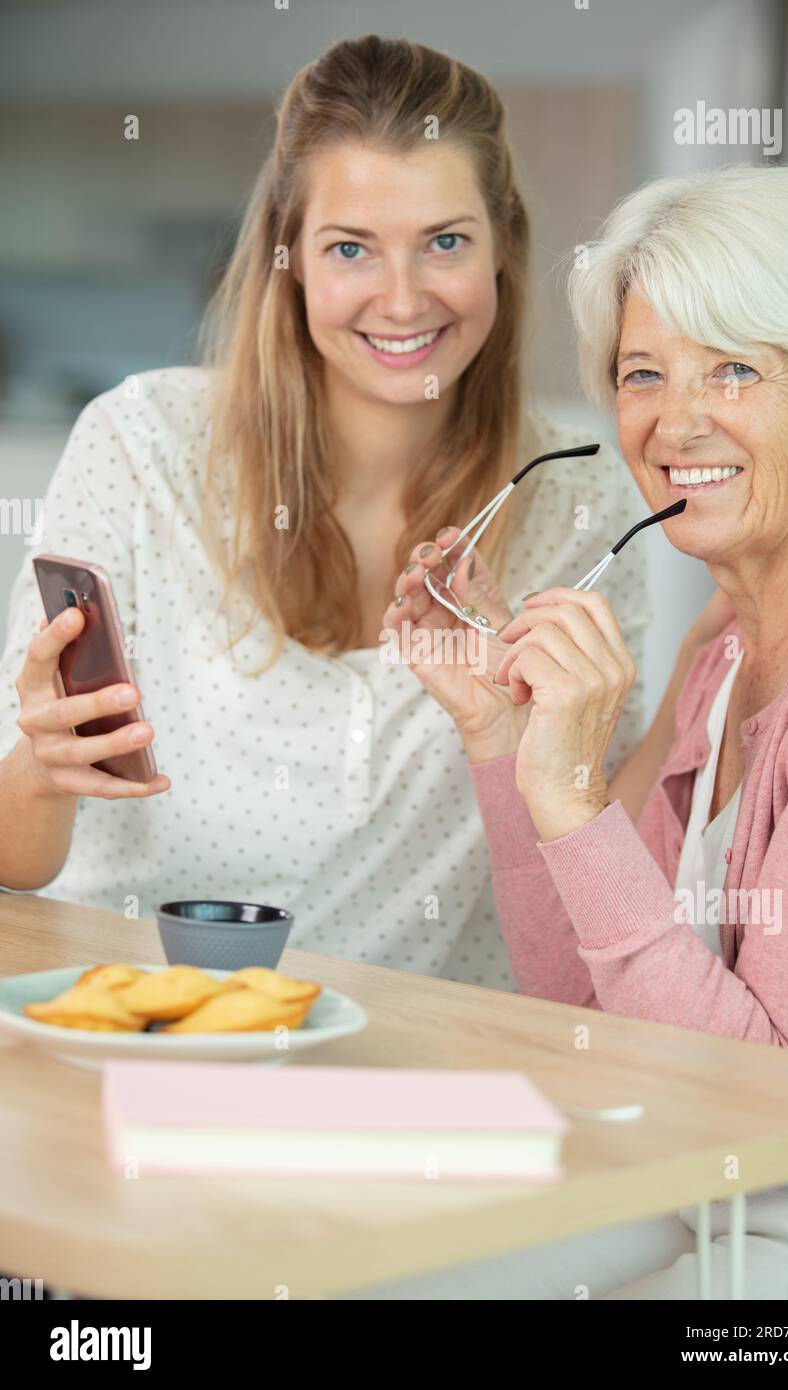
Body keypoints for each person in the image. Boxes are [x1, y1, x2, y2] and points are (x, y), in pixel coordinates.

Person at [0, 35, 673, 989]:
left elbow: (588, 864)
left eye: (445, 242)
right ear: (293, 260)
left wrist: (687, 685)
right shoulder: (139, 443)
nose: (402, 301)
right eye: (351, 248)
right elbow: (13, 862)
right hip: (147, 1042)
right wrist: (40, 765)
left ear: (504, 247)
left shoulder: (581, 497)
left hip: (441, 1074)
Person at [378, 165, 788, 1296]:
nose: (672, 421)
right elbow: (583, 1006)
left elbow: (786, 1108)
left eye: (733, 368)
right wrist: (507, 746)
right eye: (642, 373)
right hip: (707, 1188)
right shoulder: (721, 642)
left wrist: (576, 801)